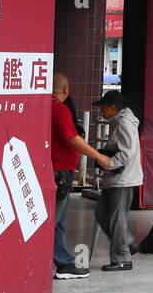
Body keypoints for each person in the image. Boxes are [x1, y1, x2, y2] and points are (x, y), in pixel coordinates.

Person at [50, 74, 111, 280]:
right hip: (59, 173)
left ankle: (63, 262)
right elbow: (73, 139)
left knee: (57, 222)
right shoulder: (58, 109)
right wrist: (100, 156)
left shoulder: (46, 107)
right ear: (65, 90)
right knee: (52, 221)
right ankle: (51, 261)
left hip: (55, 172)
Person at [93, 90, 143, 271]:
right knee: (102, 213)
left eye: (104, 108)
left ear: (113, 108)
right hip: (115, 179)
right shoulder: (118, 122)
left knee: (116, 219)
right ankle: (127, 242)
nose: (101, 112)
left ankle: (122, 258)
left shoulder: (123, 124)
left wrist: (107, 162)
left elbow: (126, 154)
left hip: (122, 179)